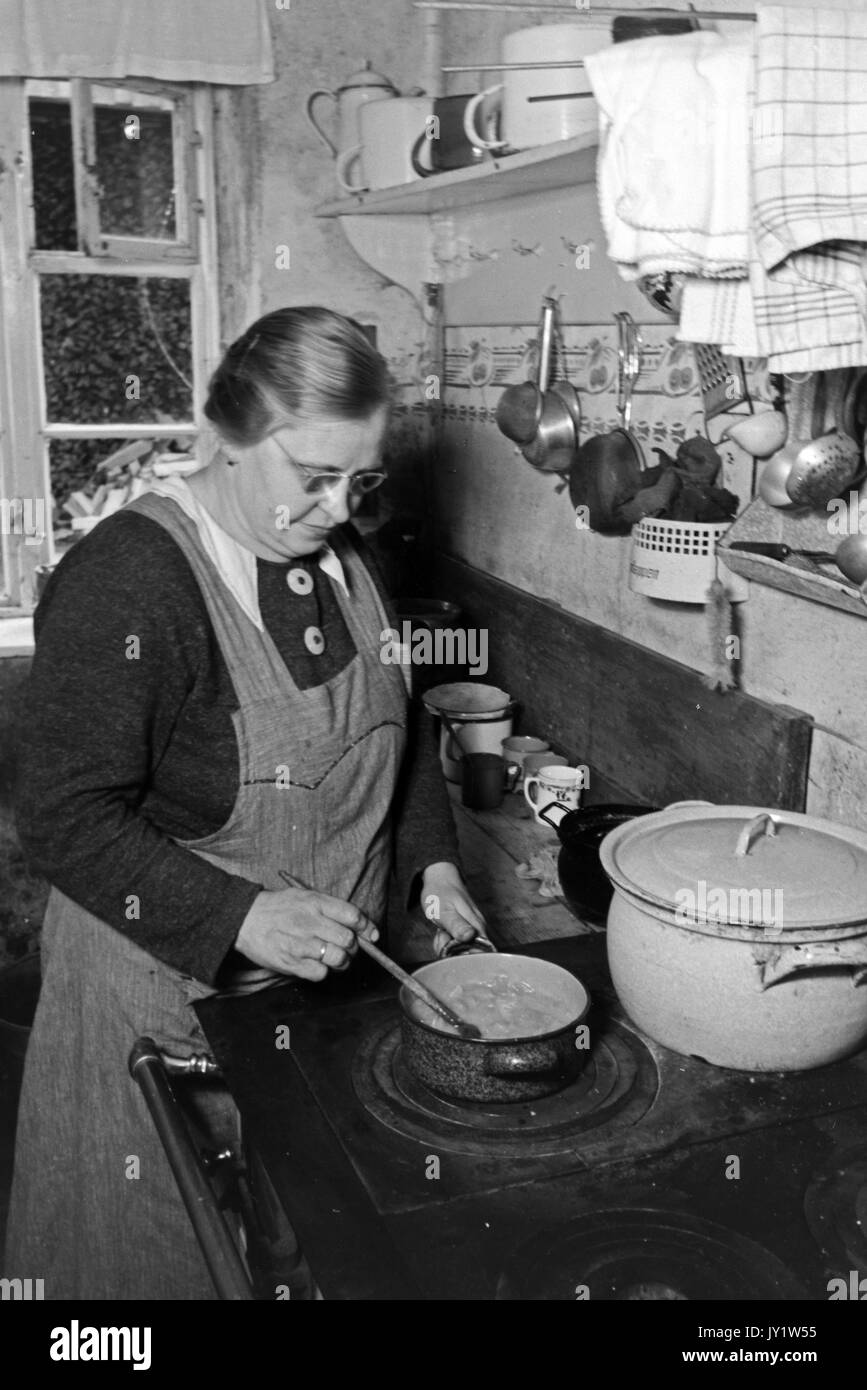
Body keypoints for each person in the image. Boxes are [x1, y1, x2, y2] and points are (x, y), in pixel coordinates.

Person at [4, 306, 486, 1300]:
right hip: (159, 1007)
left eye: (360, 479)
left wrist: (429, 863)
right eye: (311, 475)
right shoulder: (129, 584)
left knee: (298, 1259)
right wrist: (245, 918)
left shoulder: (352, 562)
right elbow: (62, 818)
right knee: (152, 1274)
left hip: (311, 1008)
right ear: (226, 436)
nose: (337, 506)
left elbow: (397, 743)